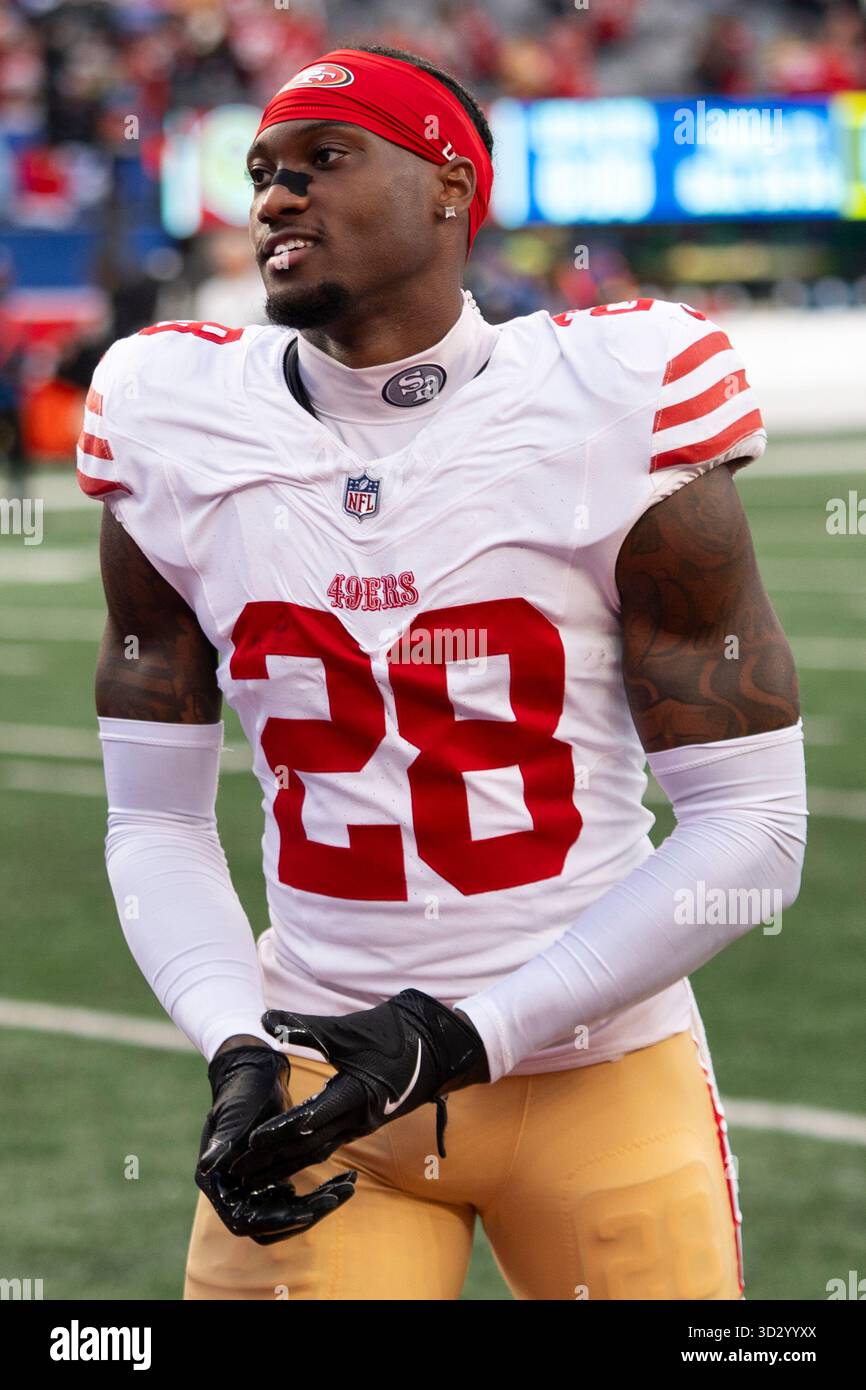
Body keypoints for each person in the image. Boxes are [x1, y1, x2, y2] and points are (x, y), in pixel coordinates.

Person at [78, 44, 807, 1300]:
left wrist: (468, 1030)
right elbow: (151, 815)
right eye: (262, 172)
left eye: (323, 160)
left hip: (594, 1071)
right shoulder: (170, 416)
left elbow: (755, 827)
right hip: (318, 1078)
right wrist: (233, 1039)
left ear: (449, 192)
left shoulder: (614, 396)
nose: (274, 197)